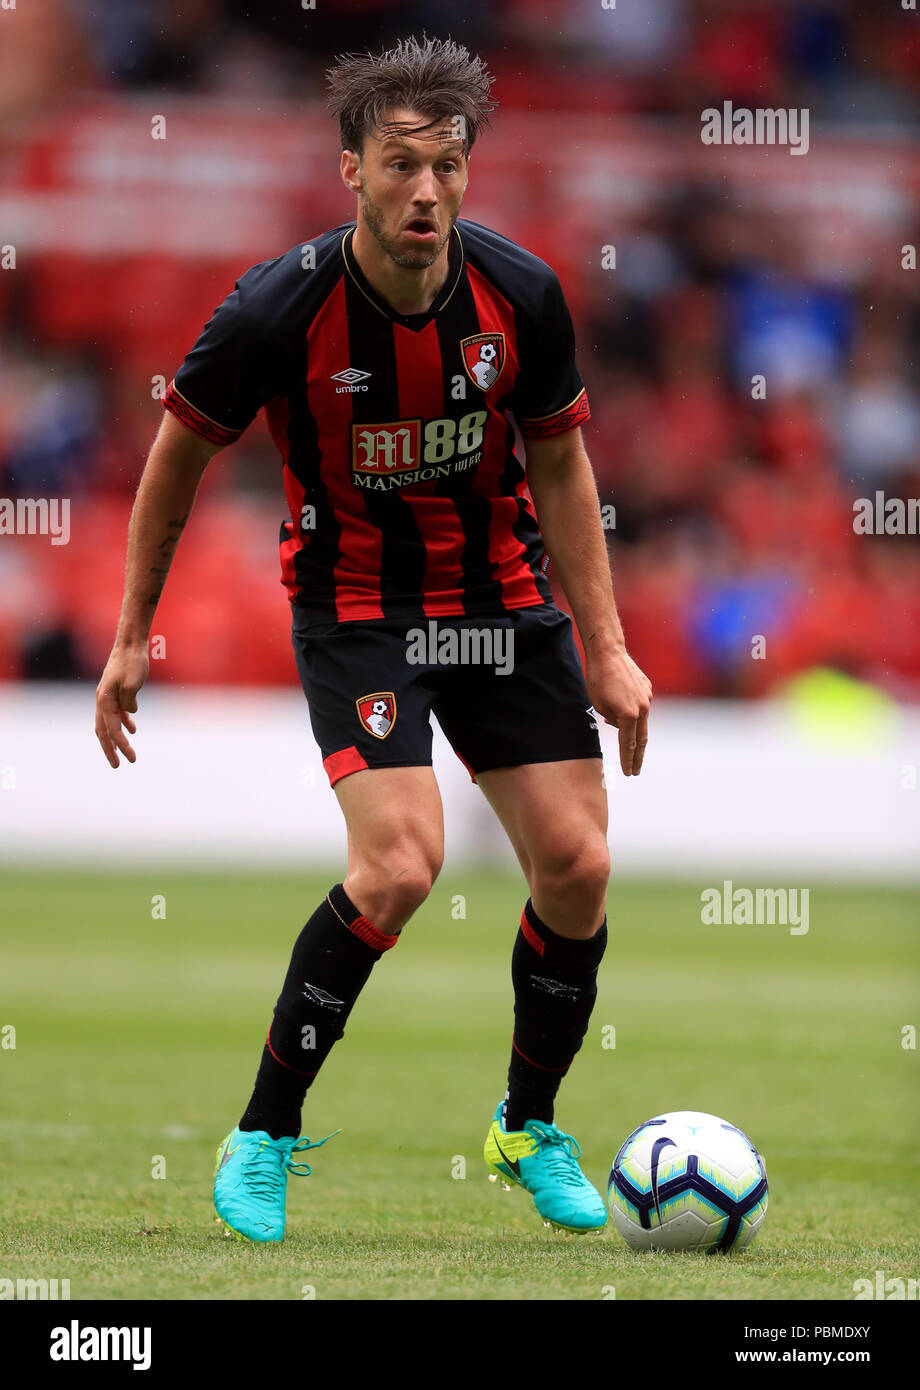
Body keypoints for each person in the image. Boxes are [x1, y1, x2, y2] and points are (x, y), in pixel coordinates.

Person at [93, 34, 652, 1243]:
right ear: (349, 169)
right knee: (400, 866)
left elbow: (560, 465)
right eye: (400, 165)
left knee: (580, 867)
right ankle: (263, 1133)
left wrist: (606, 649)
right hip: (356, 610)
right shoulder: (272, 309)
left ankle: (525, 1123)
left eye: (447, 166)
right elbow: (176, 454)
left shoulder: (523, 297)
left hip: (500, 603)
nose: (427, 192)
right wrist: (133, 633)